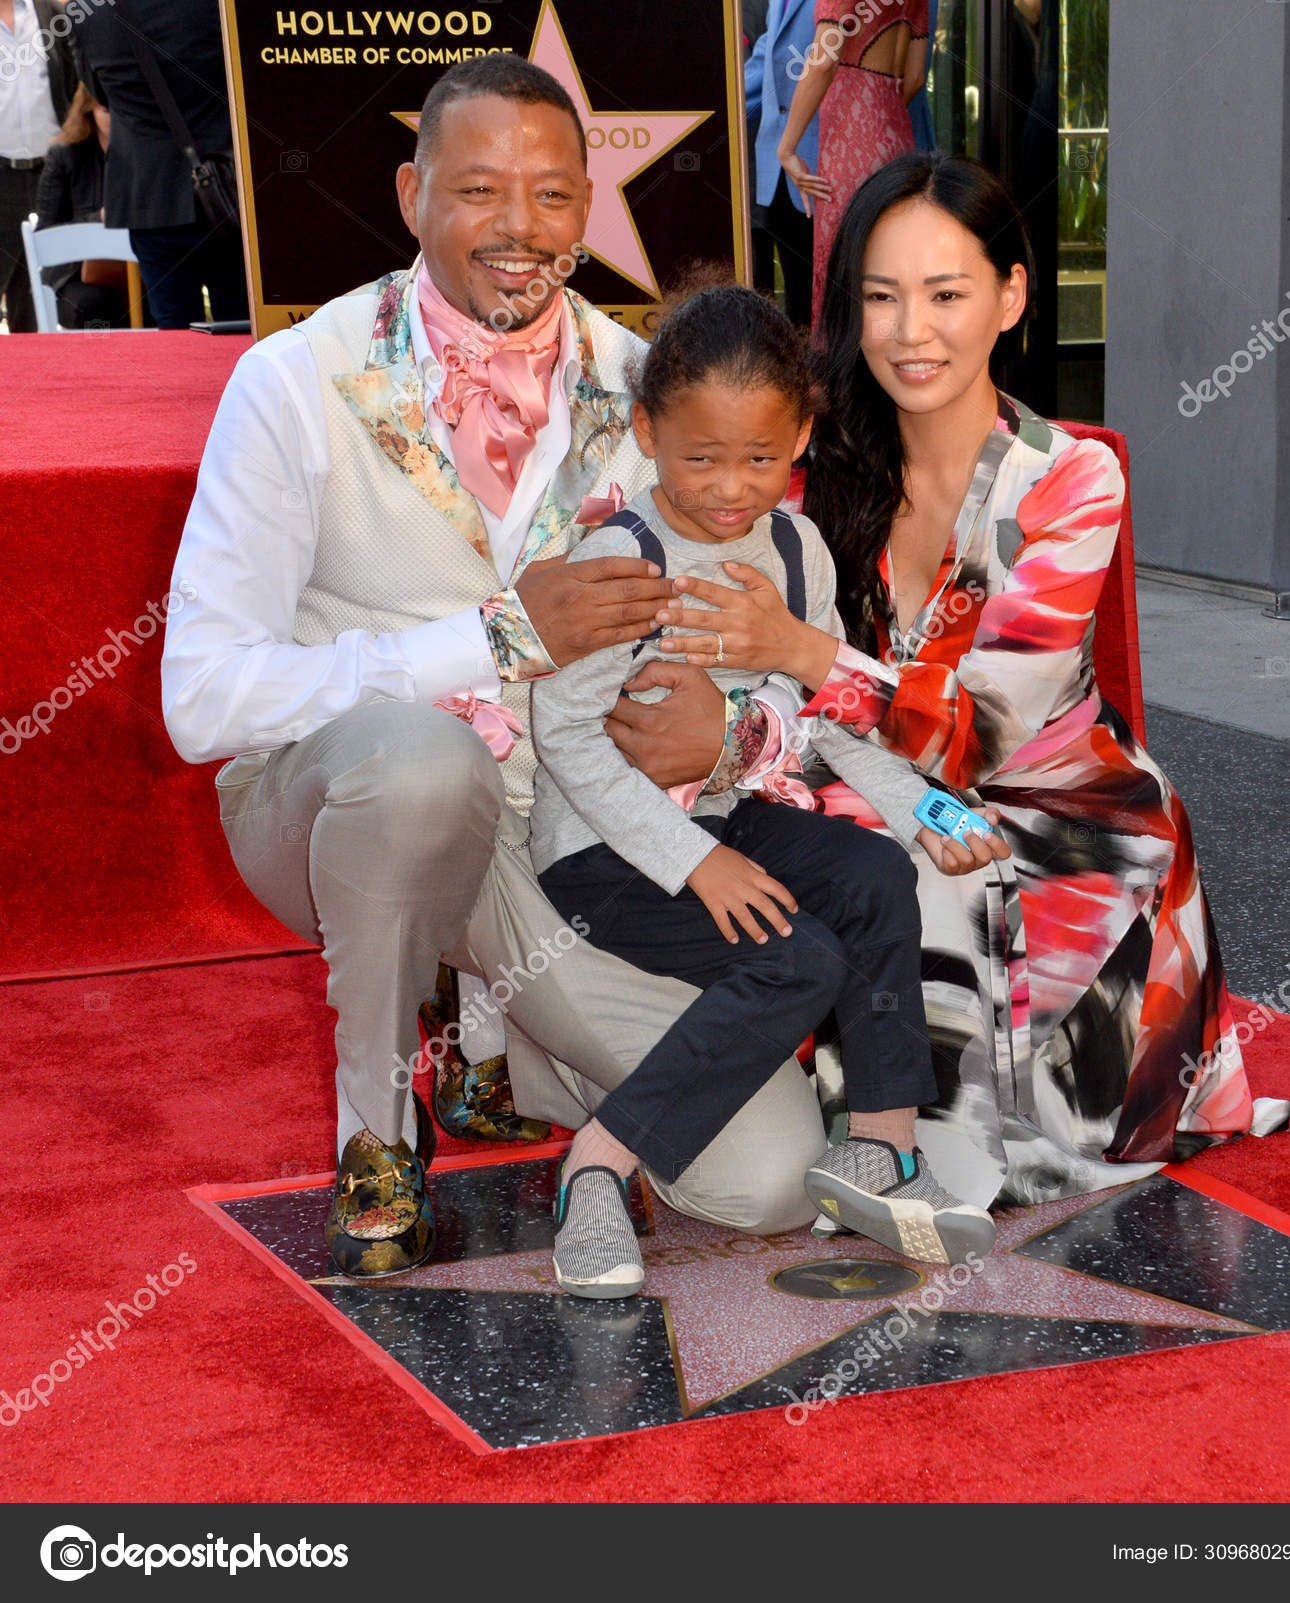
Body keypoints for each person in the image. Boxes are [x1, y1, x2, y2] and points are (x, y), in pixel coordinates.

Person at [161, 56, 827, 1280]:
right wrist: (494, 637)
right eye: (479, 190)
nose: (521, 229)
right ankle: (379, 1125)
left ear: (589, 206)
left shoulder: (653, 392)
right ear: (411, 195)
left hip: (566, 850)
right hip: (348, 811)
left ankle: (509, 1037)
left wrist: (727, 739)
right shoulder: (293, 381)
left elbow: (768, 640)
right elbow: (202, 700)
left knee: (768, 1177)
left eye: (553, 195)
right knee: (426, 762)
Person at [652, 153, 1290, 1207]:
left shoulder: (1073, 479)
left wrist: (801, 652)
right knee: (844, 854)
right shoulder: (807, 477)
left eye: (946, 294)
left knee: (912, 863)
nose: (912, 331)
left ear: (1010, 295)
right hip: (865, 786)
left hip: (1069, 814)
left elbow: (984, 733)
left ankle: (913, 1165)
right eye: (880, 297)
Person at [532, 282, 1003, 1296]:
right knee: (801, 958)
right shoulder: (625, 556)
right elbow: (563, 731)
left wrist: (919, 801)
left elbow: (825, 713)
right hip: (604, 854)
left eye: (758, 458)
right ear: (648, 430)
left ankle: (879, 1150)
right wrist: (698, 862)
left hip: (719, 813)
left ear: (800, 434)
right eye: (699, 457)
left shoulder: (794, 548)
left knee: (876, 871)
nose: (728, 488)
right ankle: (600, 1165)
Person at [71, 0, 246, 328]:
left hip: (150, 194)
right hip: (231, 187)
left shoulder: (88, 11)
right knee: (242, 330)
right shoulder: (220, 7)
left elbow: (99, 93)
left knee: (173, 333)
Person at [774, 0, 927, 324]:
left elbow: (822, 62)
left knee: (843, 278)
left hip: (849, 141)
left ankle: (842, 372)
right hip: (896, 138)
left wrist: (787, 148)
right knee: (888, 275)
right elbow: (914, 78)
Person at [0, 0, 76, 333]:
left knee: (42, 284)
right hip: (2, 173)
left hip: (55, 170)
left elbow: (77, 84)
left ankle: (34, 373)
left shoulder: (52, 13)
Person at [744, 0, 817, 326]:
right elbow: (762, 67)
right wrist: (706, 104)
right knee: (798, 307)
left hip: (823, 161)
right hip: (777, 173)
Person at [34, 83, 129, 329]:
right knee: (91, 305)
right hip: (75, 274)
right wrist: (99, 218)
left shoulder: (147, 155)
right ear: (89, 112)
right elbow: (45, 233)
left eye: (123, 111)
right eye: (107, 111)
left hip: (140, 272)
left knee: (168, 301)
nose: (117, 120)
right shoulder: (64, 155)